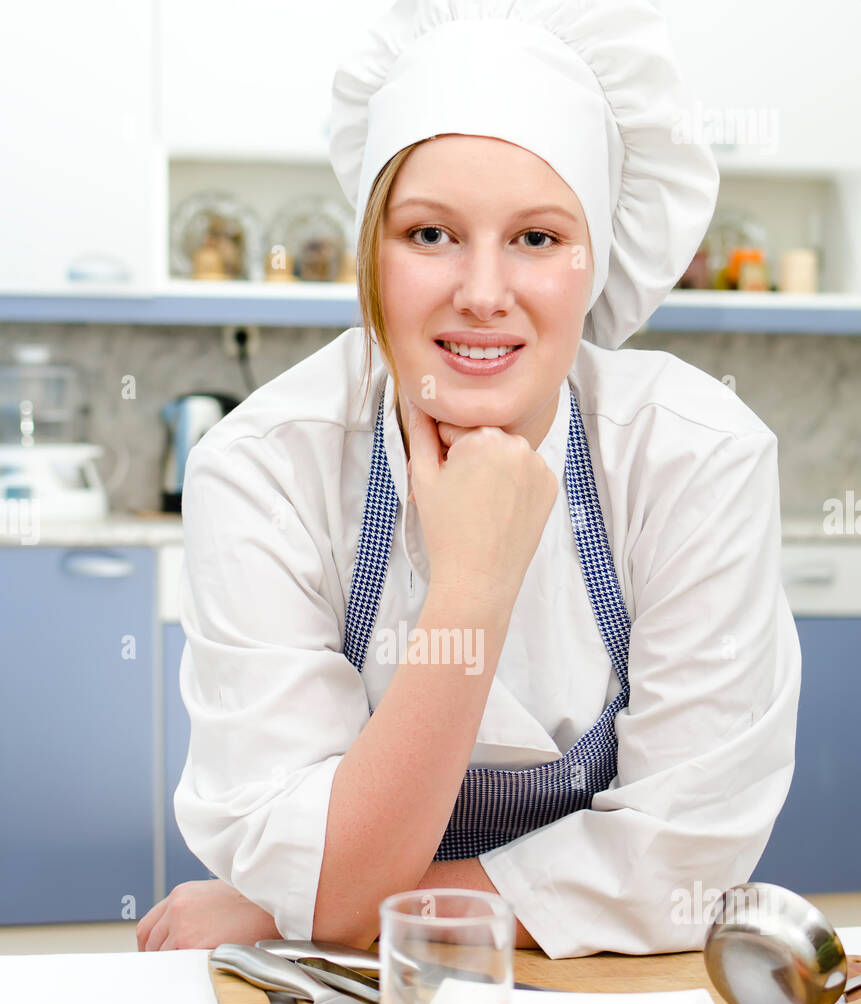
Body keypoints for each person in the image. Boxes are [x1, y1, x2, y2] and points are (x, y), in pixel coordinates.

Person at [137, 0, 800, 956]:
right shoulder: (264, 469)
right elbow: (310, 872)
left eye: (535, 238)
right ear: (371, 250)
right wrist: (474, 586)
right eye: (430, 233)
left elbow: (680, 864)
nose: (482, 293)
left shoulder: (694, 458)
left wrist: (345, 909)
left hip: (593, 1001)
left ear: (594, 260)